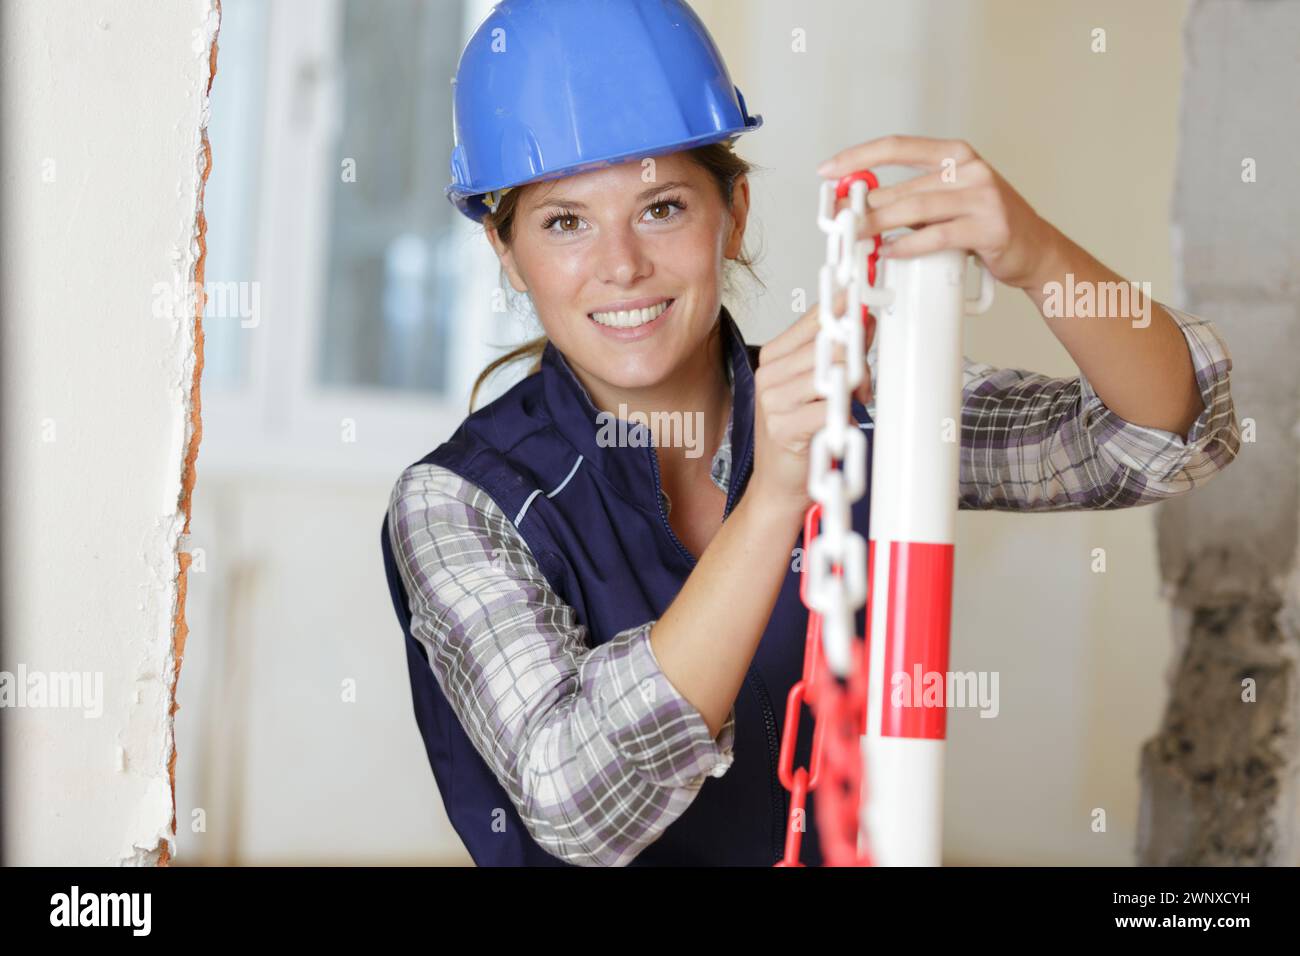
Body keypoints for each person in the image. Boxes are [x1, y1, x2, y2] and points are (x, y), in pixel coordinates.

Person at [379, 0, 1241, 867]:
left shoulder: (859, 400)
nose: (621, 265)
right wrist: (775, 496)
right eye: (566, 220)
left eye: (662, 208)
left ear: (735, 213)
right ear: (506, 251)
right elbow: (577, 808)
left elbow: (1167, 437)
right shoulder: (459, 503)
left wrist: (1039, 257)